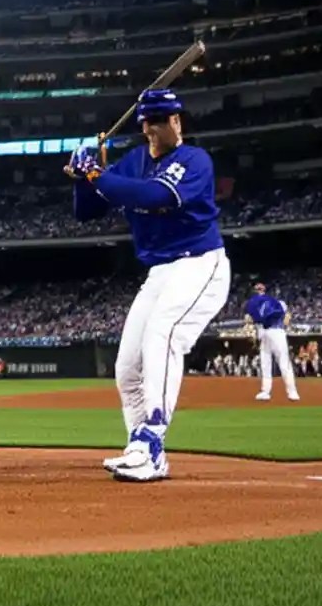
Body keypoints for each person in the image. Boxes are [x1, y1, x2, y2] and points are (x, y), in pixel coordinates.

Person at [66, 89, 231, 482]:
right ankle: (139, 448)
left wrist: (97, 174)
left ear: (177, 122)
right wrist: (81, 175)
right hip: (159, 272)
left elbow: (157, 195)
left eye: (166, 119)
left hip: (199, 263)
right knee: (127, 367)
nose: (159, 127)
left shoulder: (193, 160)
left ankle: (153, 442)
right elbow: (85, 212)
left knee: (163, 334)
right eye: (152, 121)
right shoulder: (135, 160)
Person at [245, 283, 300, 401]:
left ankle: (292, 391)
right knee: (265, 363)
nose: (259, 291)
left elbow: (287, 315)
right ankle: (265, 391)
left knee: (284, 363)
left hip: (276, 331)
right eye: (257, 289)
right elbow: (250, 319)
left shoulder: (277, 303)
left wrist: (283, 325)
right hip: (265, 333)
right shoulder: (256, 303)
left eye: (260, 289)